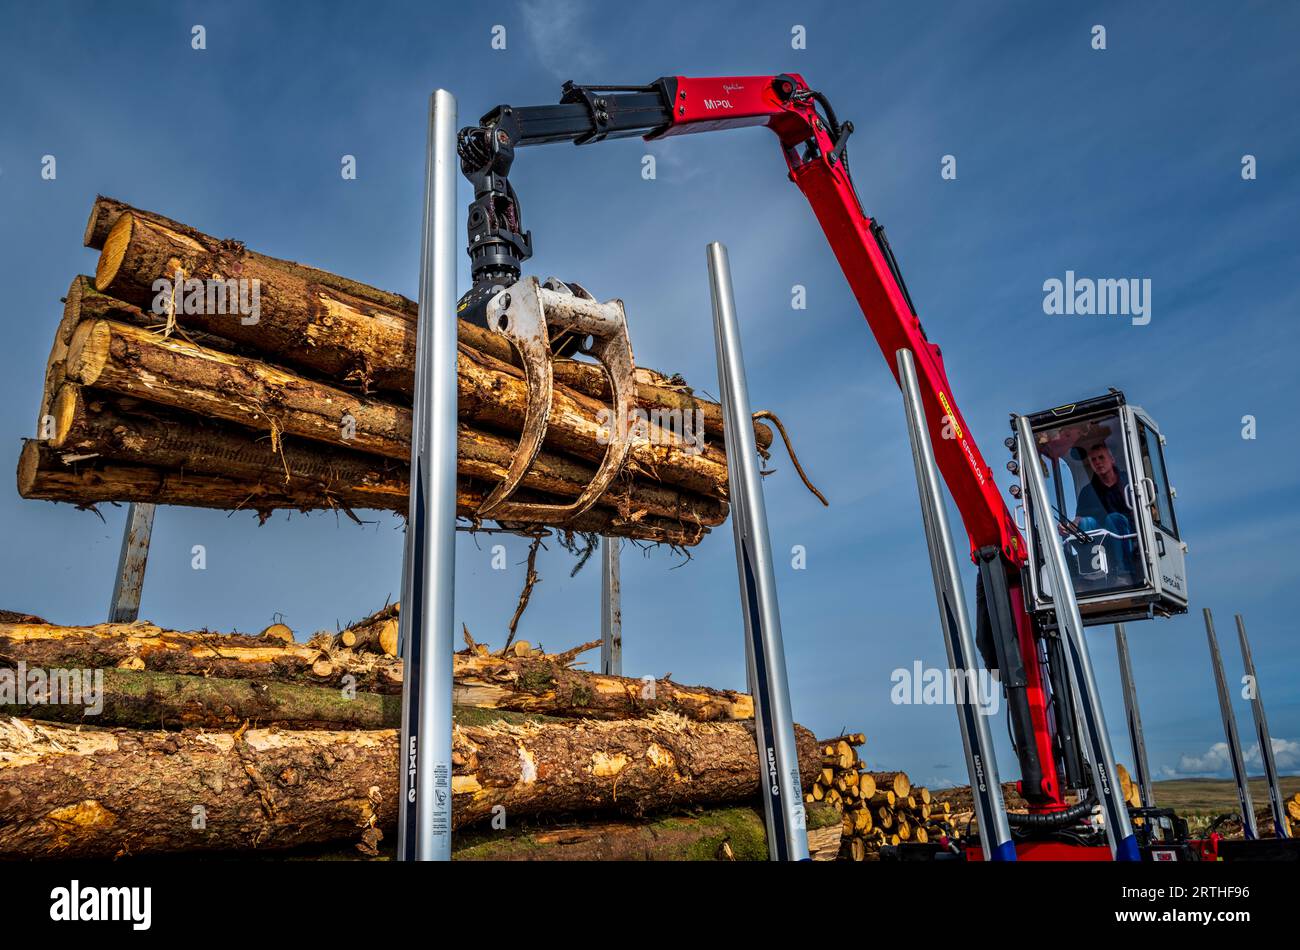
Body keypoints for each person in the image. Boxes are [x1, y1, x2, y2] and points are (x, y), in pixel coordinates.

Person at [1072, 441, 1136, 581]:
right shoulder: (1087, 492)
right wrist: (1071, 526)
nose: (1098, 462)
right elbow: (1079, 518)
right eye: (1093, 460)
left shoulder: (1130, 483)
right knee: (1086, 522)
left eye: (1101, 457)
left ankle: (1123, 569)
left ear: (1112, 460)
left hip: (1127, 535)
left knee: (1114, 519)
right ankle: (1092, 570)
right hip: (1099, 539)